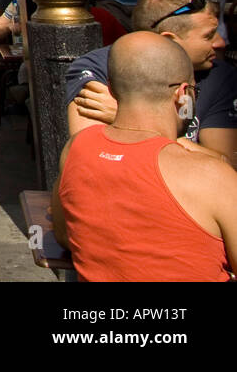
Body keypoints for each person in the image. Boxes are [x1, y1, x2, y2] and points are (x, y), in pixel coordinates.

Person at [52, 33, 237, 281]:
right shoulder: (212, 175)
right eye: (195, 91)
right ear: (182, 94)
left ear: (113, 89)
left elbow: (65, 235)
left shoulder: (75, 148)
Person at [65, 0, 236, 164]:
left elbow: (225, 164)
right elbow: (92, 156)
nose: (221, 43)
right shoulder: (99, 68)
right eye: (208, 36)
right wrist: (175, 142)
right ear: (169, 41)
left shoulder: (220, 76)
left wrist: (126, 117)